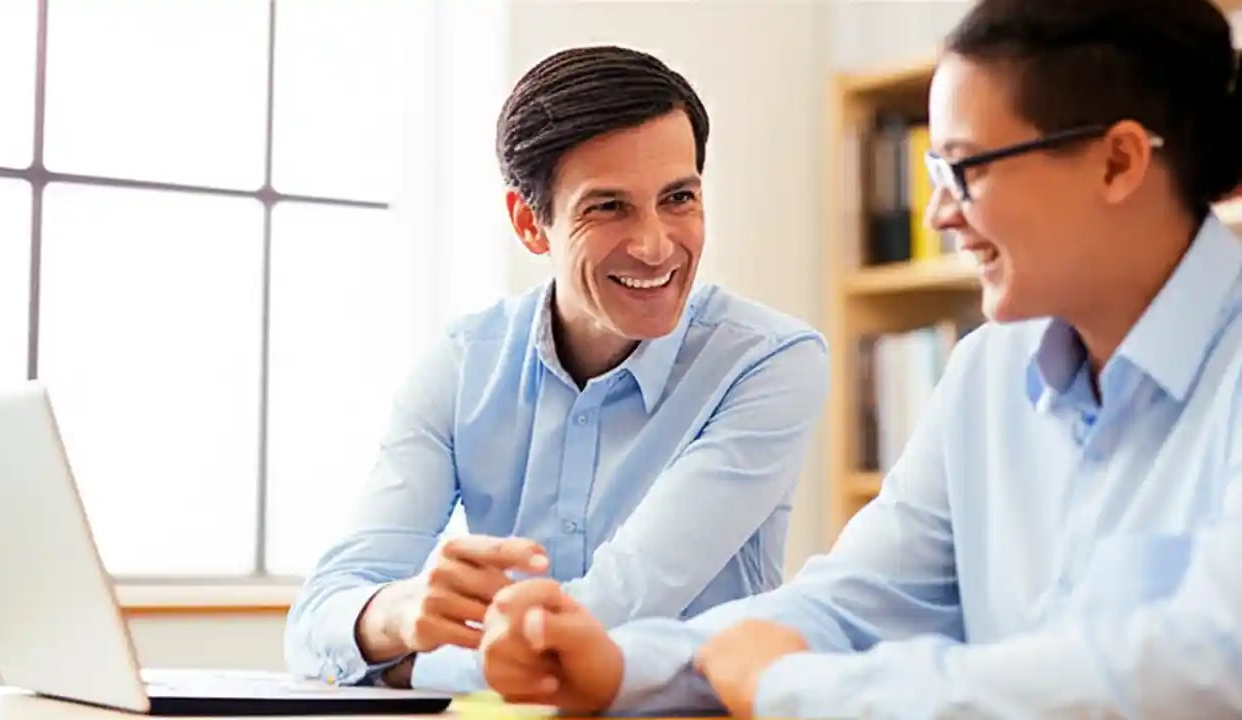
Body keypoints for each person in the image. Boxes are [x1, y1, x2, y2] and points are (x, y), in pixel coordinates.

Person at [478, 0, 1242, 716]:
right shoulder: (986, 376)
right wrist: (619, 664)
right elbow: (851, 603)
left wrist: (789, 685)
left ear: (1117, 162)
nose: (939, 214)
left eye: (965, 168)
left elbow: (1200, 669)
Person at [282, 45, 830, 693]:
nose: (656, 245)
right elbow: (318, 619)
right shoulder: (464, 363)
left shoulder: (769, 362)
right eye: (609, 206)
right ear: (530, 223)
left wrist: (408, 664)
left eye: (679, 198)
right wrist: (400, 612)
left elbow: (604, 620)